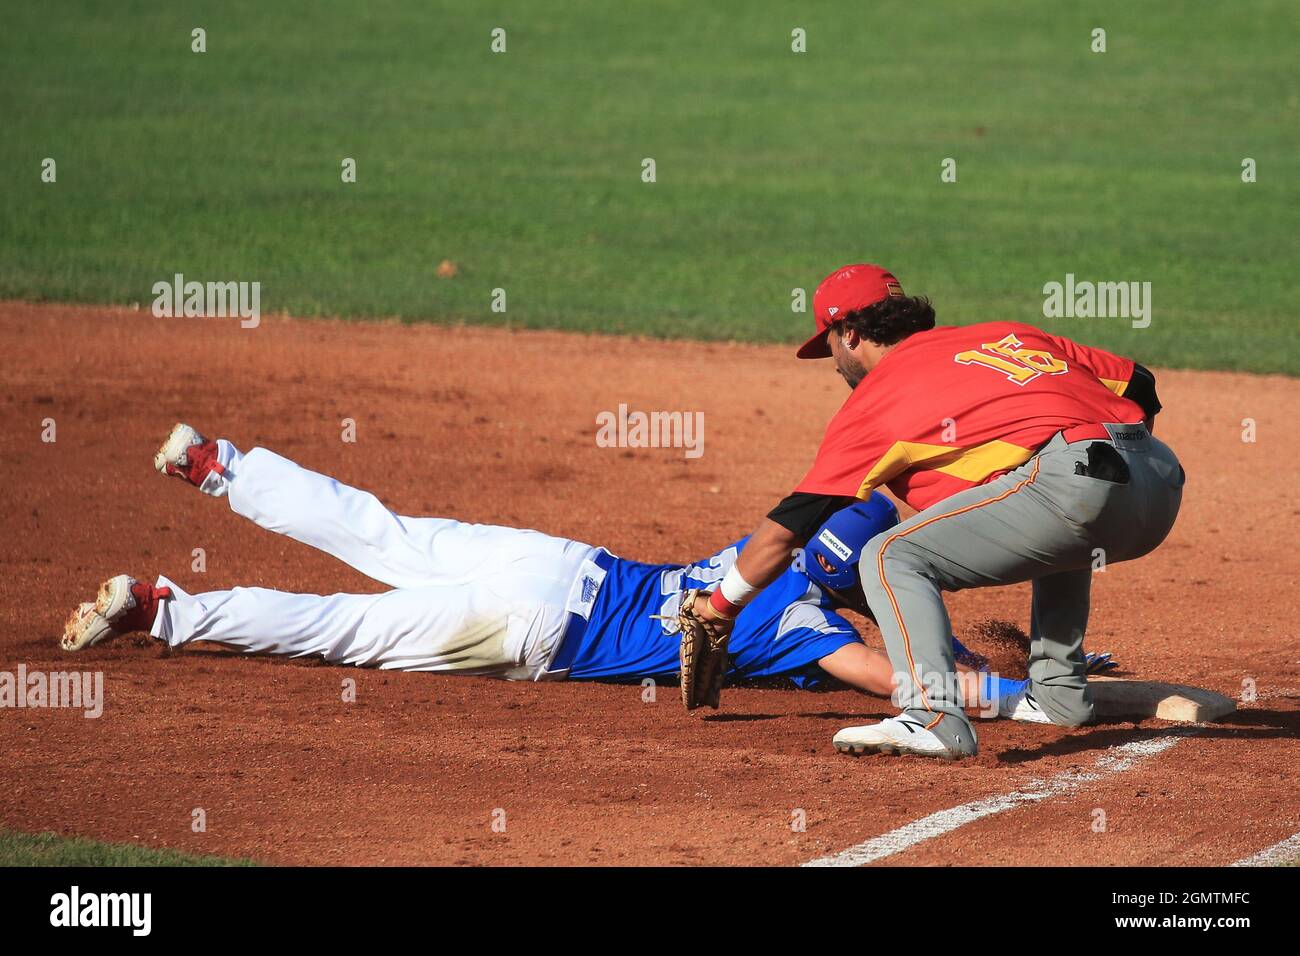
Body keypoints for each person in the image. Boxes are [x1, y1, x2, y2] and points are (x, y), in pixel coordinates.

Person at [61, 424, 1063, 708]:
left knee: (380, 529)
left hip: (562, 565)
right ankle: (168, 608)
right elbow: (900, 681)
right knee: (343, 628)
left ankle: (216, 464)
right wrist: (1020, 688)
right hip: (535, 633)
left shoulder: (761, 558)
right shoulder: (810, 624)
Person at [681, 264, 1183, 758]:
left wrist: (719, 605)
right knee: (1050, 516)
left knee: (888, 555)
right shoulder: (1008, 335)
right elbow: (1139, 382)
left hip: (1075, 486)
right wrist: (1119, 478)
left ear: (851, 334)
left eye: (830, 344)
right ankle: (1058, 695)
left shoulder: (876, 400)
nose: (833, 362)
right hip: (1159, 485)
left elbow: (787, 531)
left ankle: (932, 717)